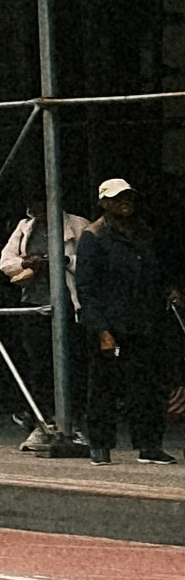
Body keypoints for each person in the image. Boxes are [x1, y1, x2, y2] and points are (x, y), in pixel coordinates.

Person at [78, 178, 171, 466]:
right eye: (117, 197)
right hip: (111, 325)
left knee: (147, 388)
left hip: (143, 322)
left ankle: (149, 446)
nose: (124, 201)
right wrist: (101, 330)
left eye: (128, 196)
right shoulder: (94, 236)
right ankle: (101, 445)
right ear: (104, 202)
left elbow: (154, 272)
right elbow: (87, 289)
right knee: (104, 388)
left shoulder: (143, 232)